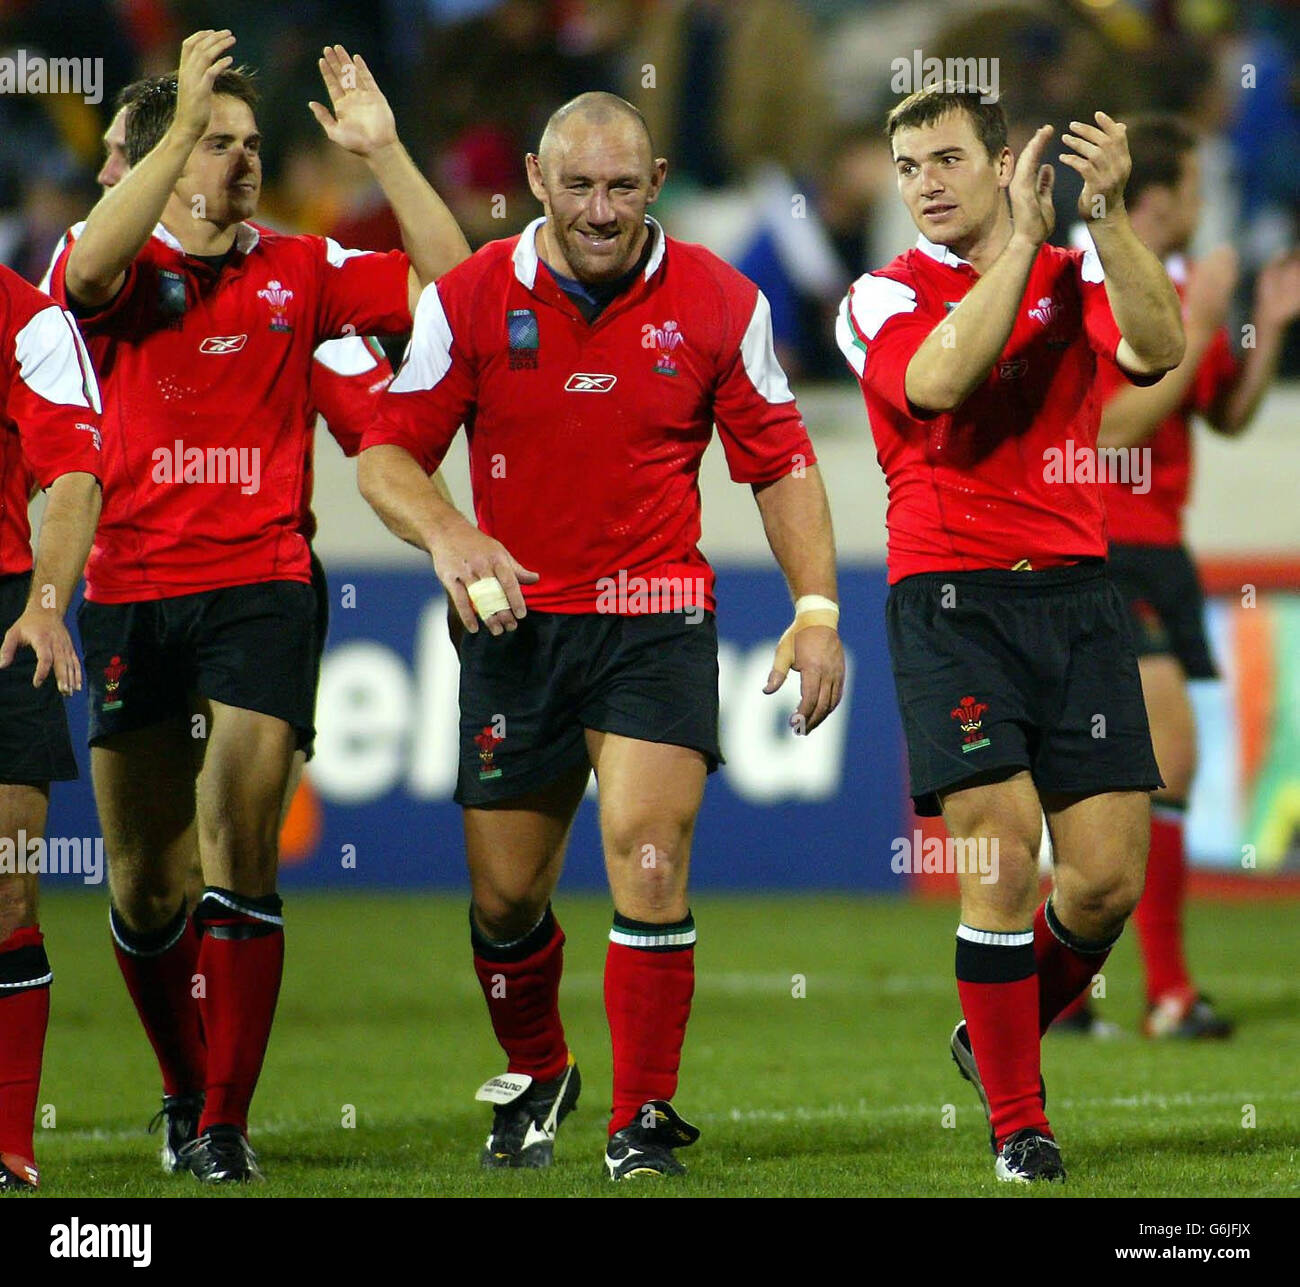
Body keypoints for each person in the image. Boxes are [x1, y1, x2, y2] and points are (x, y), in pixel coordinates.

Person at [358, 91, 844, 1180]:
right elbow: (386, 454)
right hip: (516, 625)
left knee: (647, 851)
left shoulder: (721, 300)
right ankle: (540, 1067)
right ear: (535, 179)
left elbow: (781, 463)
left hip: (655, 618)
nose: (598, 209)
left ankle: (642, 1119)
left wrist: (817, 612)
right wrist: (448, 531)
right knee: (504, 899)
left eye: (622, 186)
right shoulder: (473, 297)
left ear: (657, 181)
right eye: (576, 185)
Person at [46, 30, 466, 1184]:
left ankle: (224, 1125)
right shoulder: (103, 270)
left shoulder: (303, 269)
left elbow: (459, 287)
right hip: (132, 590)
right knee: (142, 881)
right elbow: (85, 274)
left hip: (263, 585)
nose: (236, 160)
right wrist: (173, 127)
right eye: (209, 140)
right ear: (159, 158)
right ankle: (186, 1091)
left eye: (245, 142)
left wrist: (384, 156)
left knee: (240, 840)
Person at [836, 85, 1184, 1182]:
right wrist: (1021, 253)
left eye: (944, 159)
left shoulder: (1075, 271)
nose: (924, 184)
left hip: (1078, 599)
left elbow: (1161, 346)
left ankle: (995, 1031)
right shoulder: (878, 296)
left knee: (1103, 884)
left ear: (998, 162)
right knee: (998, 854)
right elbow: (937, 383)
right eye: (906, 167)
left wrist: (1109, 215)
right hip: (951, 603)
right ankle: (1017, 1126)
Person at [1056, 115, 1300, 1040]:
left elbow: (1225, 414)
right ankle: (1164, 991)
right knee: (1166, 756)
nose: (1206, 205)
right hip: (1096, 537)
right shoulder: (1088, 280)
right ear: (1154, 202)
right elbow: (1111, 427)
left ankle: (1074, 993)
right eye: (1196, 188)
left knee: (1117, 774)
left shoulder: (1186, 286)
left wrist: (1265, 330)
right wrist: (1198, 326)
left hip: (1158, 544)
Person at [0, 264, 103, 1191]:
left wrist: (45, 601)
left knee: (6, 894)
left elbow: (72, 470)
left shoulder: (29, 321)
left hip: (6, 616)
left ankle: (7, 1147)